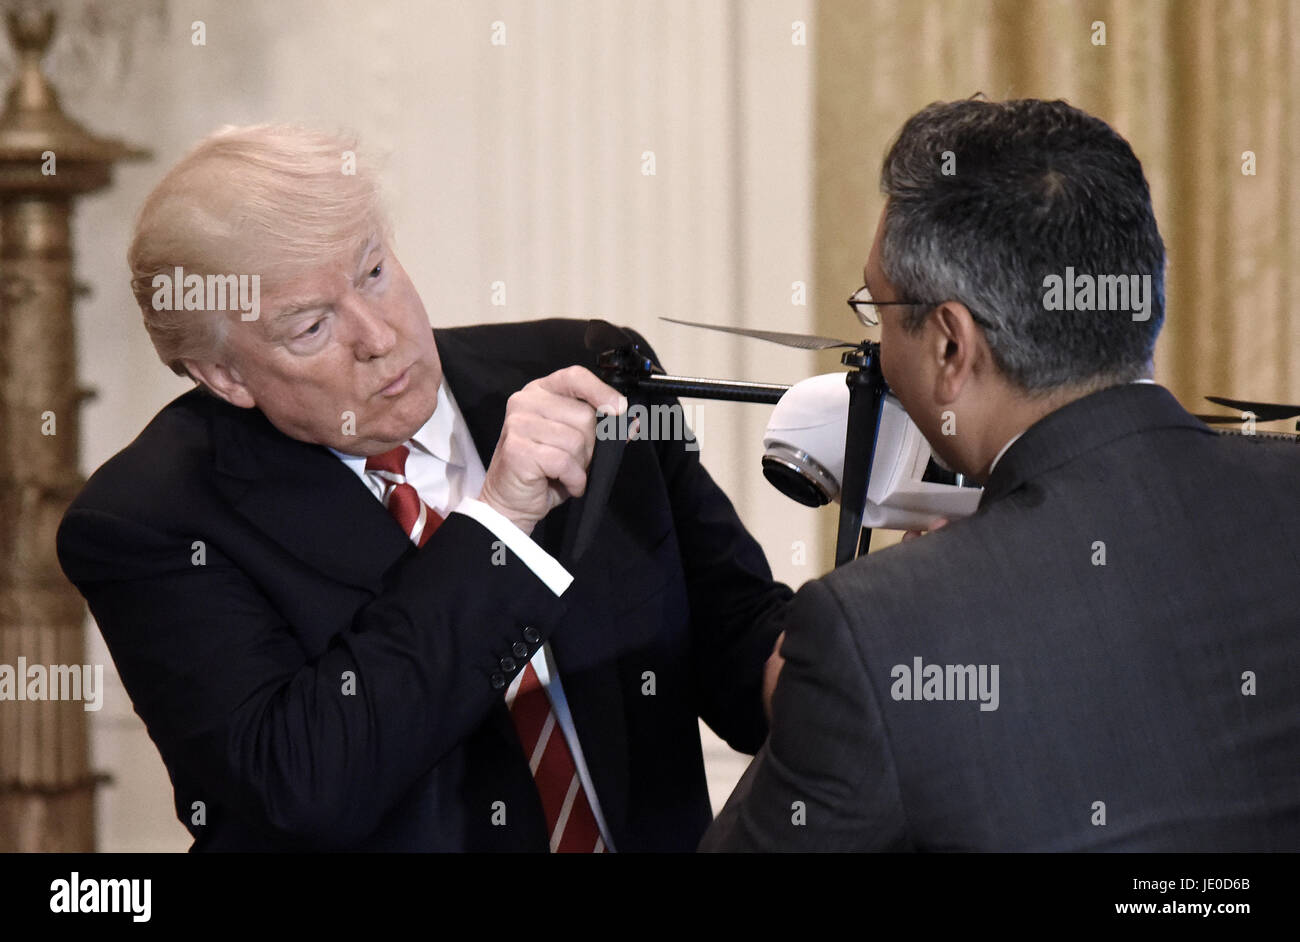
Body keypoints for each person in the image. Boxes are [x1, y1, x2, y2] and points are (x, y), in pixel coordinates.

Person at [56, 124, 790, 852]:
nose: (379, 335)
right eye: (312, 327)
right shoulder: (149, 519)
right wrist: (500, 523)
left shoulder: (585, 368)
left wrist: (878, 623)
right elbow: (300, 790)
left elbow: (737, 634)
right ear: (226, 376)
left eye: (373, 271)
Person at [701, 97, 1300, 852]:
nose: (877, 349)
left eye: (877, 312)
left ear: (950, 346)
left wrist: (878, 634)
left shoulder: (877, 633)